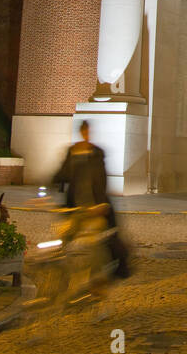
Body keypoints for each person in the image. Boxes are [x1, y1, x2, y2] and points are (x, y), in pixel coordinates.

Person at [51, 120, 130, 280]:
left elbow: (102, 180)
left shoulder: (97, 153)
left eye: (87, 132)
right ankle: (62, 272)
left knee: (103, 239)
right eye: (84, 132)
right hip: (75, 206)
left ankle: (103, 275)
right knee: (64, 235)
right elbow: (61, 175)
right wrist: (46, 190)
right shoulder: (72, 152)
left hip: (96, 205)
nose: (86, 135)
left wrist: (101, 205)